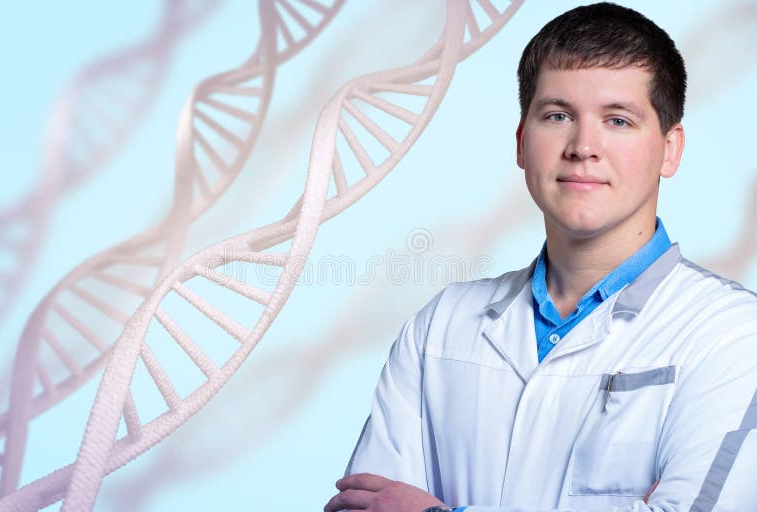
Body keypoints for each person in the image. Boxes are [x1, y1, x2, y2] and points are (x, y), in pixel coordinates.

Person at [324, 3, 757, 512]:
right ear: (522, 142)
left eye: (618, 120)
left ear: (670, 149)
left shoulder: (732, 336)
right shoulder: (442, 327)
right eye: (557, 116)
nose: (583, 146)